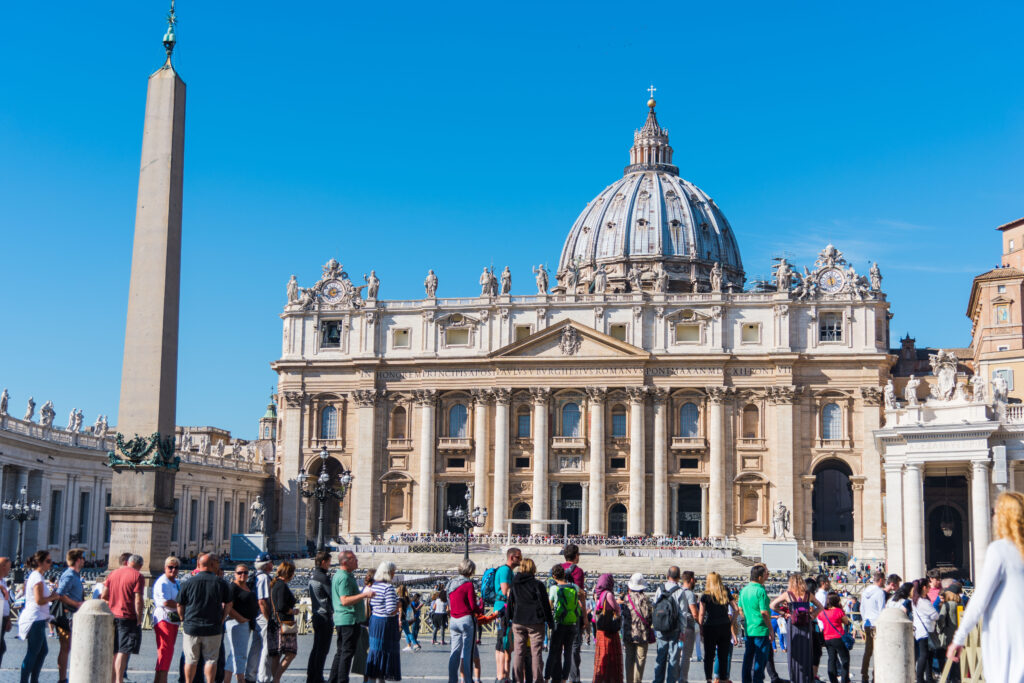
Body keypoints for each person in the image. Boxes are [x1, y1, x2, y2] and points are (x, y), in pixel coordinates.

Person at [948, 492, 1024, 681]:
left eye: (995, 512)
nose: (993, 517)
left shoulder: (1000, 550)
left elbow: (980, 599)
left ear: (1004, 516)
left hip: (1006, 635)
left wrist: (959, 638)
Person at [177, 553, 232, 683]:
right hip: (213, 626)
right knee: (211, 660)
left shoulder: (188, 582)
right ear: (212, 564)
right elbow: (229, 603)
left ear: (199, 564)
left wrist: (183, 618)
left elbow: (179, 604)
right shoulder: (221, 583)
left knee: (190, 660)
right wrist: (223, 618)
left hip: (192, 626)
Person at [329, 551, 374, 683]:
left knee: (341, 652)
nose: (357, 560)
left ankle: (333, 680)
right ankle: (342, 680)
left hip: (342, 618)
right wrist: (364, 595)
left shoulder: (340, 575)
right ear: (345, 562)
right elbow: (345, 600)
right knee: (347, 653)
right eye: (354, 559)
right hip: (349, 619)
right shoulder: (345, 578)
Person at [507, 558, 553, 683]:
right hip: (535, 621)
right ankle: (537, 680)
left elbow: (510, 602)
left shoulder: (515, 583)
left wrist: (508, 618)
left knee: (518, 652)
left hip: (518, 620)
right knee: (536, 653)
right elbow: (545, 605)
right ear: (533, 568)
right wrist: (550, 621)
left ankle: (517, 680)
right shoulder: (538, 584)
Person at [102, 553, 145, 683]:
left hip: (113, 616)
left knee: (114, 651)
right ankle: (119, 680)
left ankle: (111, 680)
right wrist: (139, 618)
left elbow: (104, 595)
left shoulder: (112, 574)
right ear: (140, 565)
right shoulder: (138, 576)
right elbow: (138, 600)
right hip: (128, 617)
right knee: (123, 651)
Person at [18, 550, 57, 683]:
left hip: (38, 618)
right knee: (33, 652)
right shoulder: (37, 578)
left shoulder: (37, 576)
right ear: (40, 562)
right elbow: (39, 600)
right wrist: (53, 597)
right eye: (48, 561)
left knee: (42, 651)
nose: (50, 564)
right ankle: (26, 681)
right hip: (35, 619)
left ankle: (34, 680)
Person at [365, 561, 401, 683]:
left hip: (375, 621)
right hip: (385, 624)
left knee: (375, 651)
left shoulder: (374, 586)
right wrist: (399, 605)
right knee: (384, 652)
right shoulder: (388, 588)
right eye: (393, 572)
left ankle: (372, 680)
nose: (394, 574)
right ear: (388, 573)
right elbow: (390, 610)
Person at [447, 558, 482, 683]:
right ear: (471, 570)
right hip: (466, 619)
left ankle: (452, 680)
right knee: (468, 652)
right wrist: (480, 609)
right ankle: (468, 680)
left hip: (453, 619)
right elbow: (472, 606)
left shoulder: (451, 583)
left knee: (454, 652)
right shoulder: (468, 585)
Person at [700, 572, 738, 683]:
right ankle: (722, 679)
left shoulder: (705, 595)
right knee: (723, 655)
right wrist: (731, 622)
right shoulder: (726, 593)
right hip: (724, 626)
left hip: (710, 626)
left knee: (709, 655)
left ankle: (709, 679)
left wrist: (701, 627)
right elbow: (736, 609)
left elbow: (701, 614)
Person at [54, 548, 85, 683]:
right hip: (66, 616)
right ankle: (62, 679)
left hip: (73, 615)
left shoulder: (75, 575)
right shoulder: (70, 575)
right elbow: (60, 594)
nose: (84, 561)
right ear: (78, 560)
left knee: (69, 646)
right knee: (65, 647)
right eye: (83, 558)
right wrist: (76, 603)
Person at [738, 564, 772, 683]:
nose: (767, 576)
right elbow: (764, 612)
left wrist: (747, 620)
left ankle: (746, 681)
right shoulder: (760, 590)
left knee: (748, 658)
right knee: (760, 659)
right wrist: (771, 629)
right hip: (761, 629)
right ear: (759, 577)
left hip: (749, 628)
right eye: (765, 574)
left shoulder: (743, 590)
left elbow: (740, 609)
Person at [225, 563, 258, 683]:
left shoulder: (247, 586)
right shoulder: (232, 587)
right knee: (240, 655)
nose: (242, 575)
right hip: (236, 624)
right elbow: (227, 606)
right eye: (239, 572)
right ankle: (240, 680)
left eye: (245, 572)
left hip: (245, 624)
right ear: (235, 574)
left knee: (233, 654)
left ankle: (226, 680)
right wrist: (240, 618)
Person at [247, 553, 276, 683]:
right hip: (263, 617)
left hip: (256, 616)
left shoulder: (256, 576)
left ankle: (250, 675)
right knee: (267, 647)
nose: (272, 564)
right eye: (271, 562)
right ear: (266, 564)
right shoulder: (264, 578)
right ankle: (264, 678)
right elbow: (262, 601)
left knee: (256, 646)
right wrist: (269, 619)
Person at [651, 566, 685, 683]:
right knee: (673, 658)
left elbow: (654, 606)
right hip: (675, 628)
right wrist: (683, 631)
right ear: (679, 577)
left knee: (660, 657)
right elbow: (682, 613)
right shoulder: (680, 591)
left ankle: (657, 681)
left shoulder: (660, 589)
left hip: (661, 627)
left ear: (667, 575)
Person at [494, 547, 522, 683]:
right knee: (502, 642)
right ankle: (500, 676)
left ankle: (506, 675)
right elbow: (506, 591)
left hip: (506, 609)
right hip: (502, 610)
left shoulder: (508, 571)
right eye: (518, 557)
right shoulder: (505, 570)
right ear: (512, 557)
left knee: (507, 645)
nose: (520, 560)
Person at [152, 556, 182, 683]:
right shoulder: (163, 582)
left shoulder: (176, 582)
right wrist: (182, 606)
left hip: (173, 620)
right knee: (165, 650)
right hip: (164, 618)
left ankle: (158, 680)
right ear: (165, 568)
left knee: (167, 651)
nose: (173, 570)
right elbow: (166, 602)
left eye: (176, 567)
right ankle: (163, 680)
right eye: (170, 567)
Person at [559, 545, 586, 683]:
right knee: (574, 647)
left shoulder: (557, 568)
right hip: (574, 613)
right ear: (575, 556)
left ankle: (558, 678)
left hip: (559, 613)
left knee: (558, 647)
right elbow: (581, 595)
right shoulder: (578, 571)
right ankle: (574, 679)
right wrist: (585, 618)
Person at [270, 561, 299, 683]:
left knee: (276, 655)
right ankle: (276, 679)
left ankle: (275, 680)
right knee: (291, 653)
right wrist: (293, 611)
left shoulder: (275, 584)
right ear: (289, 573)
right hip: (284, 623)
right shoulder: (282, 585)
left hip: (275, 623)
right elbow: (281, 606)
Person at [621, 573, 652, 683]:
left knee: (629, 659)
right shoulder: (645, 599)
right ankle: (637, 681)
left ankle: (629, 681)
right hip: (642, 635)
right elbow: (649, 617)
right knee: (640, 659)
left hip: (629, 634)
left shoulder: (626, 598)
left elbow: (624, 615)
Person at [309, 552, 335, 683]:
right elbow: (332, 596)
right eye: (329, 562)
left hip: (316, 614)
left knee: (316, 648)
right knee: (323, 649)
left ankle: (311, 676)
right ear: (323, 562)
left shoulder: (314, 575)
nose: (330, 565)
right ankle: (318, 678)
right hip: (324, 616)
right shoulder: (323, 578)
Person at [592, 573, 623, 683]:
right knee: (610, 655)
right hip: (609, 630)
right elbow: (617, 609)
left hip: (600, 630)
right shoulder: (608, 594)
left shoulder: (598, 594)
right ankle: (610, 678)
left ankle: (601, 678)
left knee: (602, 655)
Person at [858, 571, 886, 683]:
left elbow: (862, 608)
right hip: (876, 624)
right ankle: (875, 676)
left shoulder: (865, 591)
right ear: (880, 580)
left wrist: (865, 619)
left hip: (867, 623)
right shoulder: (880, 592)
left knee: (867, 651)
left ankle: (864, 675)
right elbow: (881, 609)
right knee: (878, 651)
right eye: (884, 580)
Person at [818, 592, 850, 683]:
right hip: (838, 637)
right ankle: (844, 679)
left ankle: (833, 680)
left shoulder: (823, 612)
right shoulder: (838, 611)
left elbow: (820, 618)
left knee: (831, 659)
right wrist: (841, 609)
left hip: (827, 638)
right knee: (845, 659)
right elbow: (846, 622)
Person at [678, 570, 701, 683]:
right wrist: (700, 624)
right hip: (687, 625)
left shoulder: (677, 591)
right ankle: (683, 679)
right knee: (686, 655)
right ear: (691, 580)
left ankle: (674, 677)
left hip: (677, 625)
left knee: (676, 654)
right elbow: (695, 613)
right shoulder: (689, 593)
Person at [935, 590, 960, 683]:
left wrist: (938, 630)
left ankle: (946, 677)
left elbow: (941, 619)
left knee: (945, 656)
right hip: (957, 634)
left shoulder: (947, 605)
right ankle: (955, 677)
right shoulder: (959, 603)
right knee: (956, 656)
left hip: (947, 634)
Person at [0, 557, 11, 670]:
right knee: (1, 647)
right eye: (9, 567)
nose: (10, 569)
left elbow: (6, 603)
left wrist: (8, 619)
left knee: (2, 648)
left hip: (3, 619)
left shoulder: (3, 581)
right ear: (3, 567)